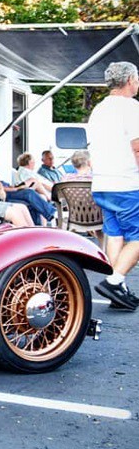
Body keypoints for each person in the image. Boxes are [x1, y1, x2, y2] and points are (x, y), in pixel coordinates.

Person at [88, 61, 139, 311]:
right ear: (130, 80)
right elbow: (137, 146)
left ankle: (119, 289)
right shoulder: (131, 108)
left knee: (116, 235)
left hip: (102, 182)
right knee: (138, 238)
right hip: (127, 182)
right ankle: (115, 280)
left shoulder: (99, 109)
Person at [0, 148, 56, 226]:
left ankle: (38, 226)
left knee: (34, 195)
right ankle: (51, 213)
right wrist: (13, 189)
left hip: (8, 188)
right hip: (6, 192)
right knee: (29, 193)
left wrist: (11, 187)